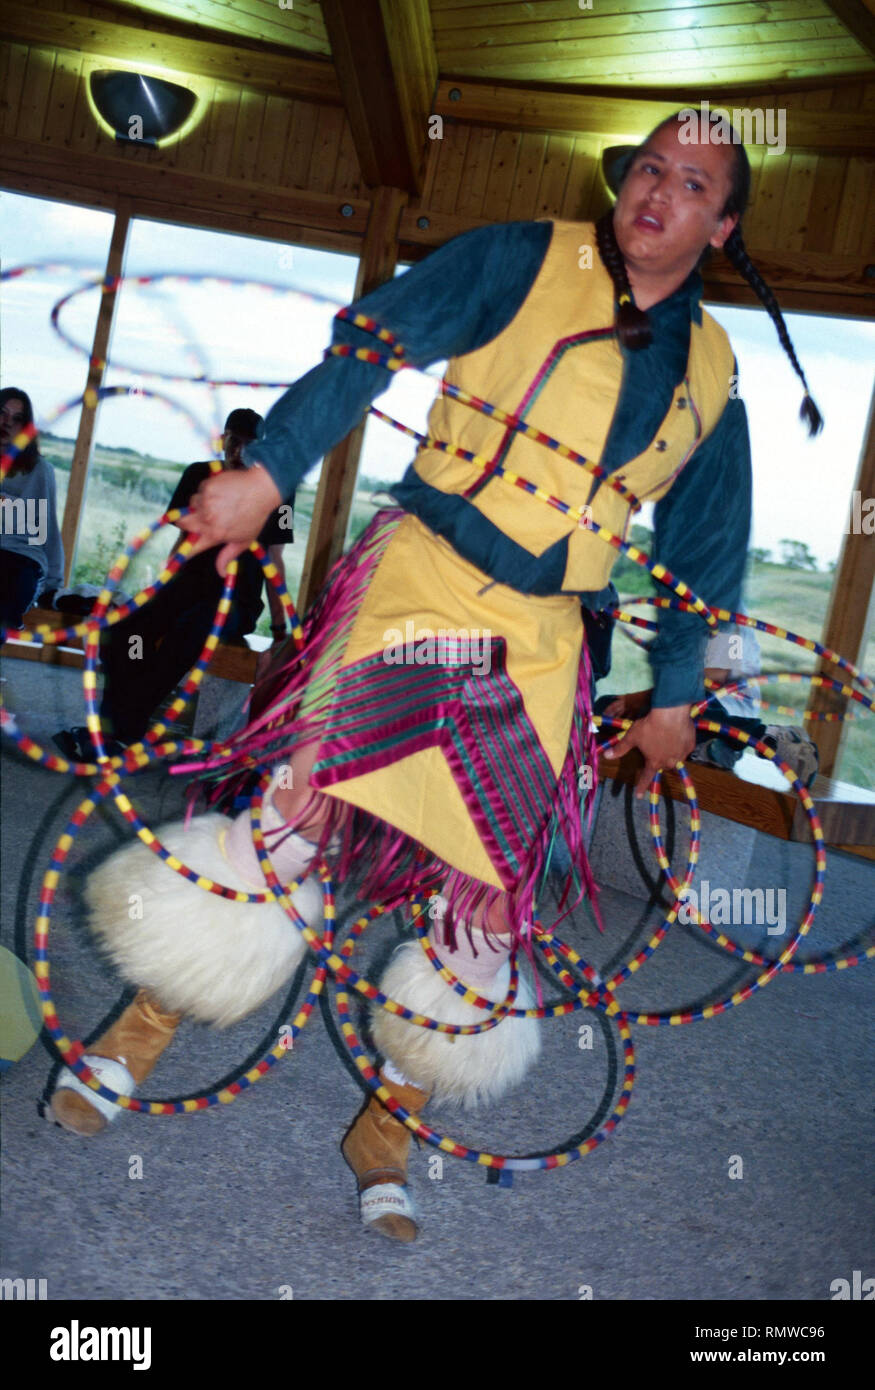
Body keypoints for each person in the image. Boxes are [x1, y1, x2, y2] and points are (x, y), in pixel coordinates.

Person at [49, 113, 823, 1243]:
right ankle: (138, 1037)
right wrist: (266, 474)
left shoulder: (712, 375)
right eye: (647, 167)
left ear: (722, 224)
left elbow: (707, 552)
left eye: (690, 181)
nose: (658, 190)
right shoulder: (518, 257)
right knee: (296, 821)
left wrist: (669, 697)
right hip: (421, 588)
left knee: (487, 910)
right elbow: (372, 344)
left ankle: (389, 1122)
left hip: (548, 642)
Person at [53, 408, 293, 761]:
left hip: (234, 602)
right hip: (187, 584)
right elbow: (183, 541)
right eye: (234, 440)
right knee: (127, 633)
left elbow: (274, 559)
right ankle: (112, 731)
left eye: (250, 444)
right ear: (222, 439)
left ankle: (120, 732)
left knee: (186, 633)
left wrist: (278, 625)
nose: (240, 451)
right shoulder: (199, 475)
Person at [0, 387, 64, 629]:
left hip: (20, 558)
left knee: (12, 579)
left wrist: (54, 583)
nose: (7, 423)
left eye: (16, 419)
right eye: (2, 413)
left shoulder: (38, 470)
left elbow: (44, 528)